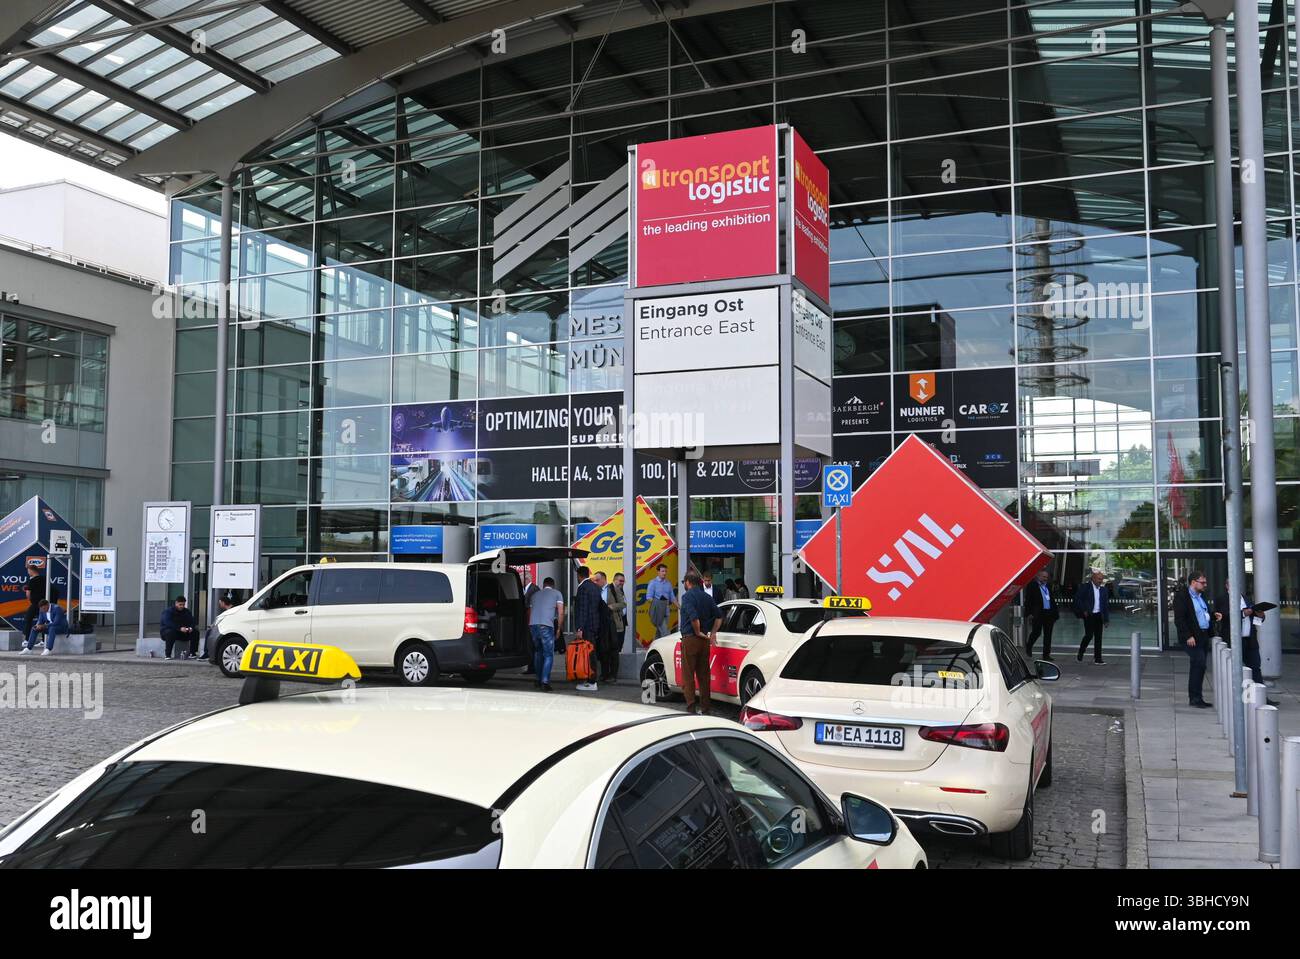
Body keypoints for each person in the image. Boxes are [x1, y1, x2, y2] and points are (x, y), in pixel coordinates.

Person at [1214, 577, 1278, 706]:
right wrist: (1243, 613)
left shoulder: (1246, 598)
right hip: (1234, 640)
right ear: (1227, 586)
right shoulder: (1222, 599)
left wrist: (1261, 616)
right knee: (1236, 669)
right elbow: (1223, 616)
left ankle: (1261, 697)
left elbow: (1255, 618)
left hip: (1250, 639)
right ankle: (1238, 698)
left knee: (1255, 668)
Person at [678, 572, 720, 715]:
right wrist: (713, 633)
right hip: (704, 641)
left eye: (685, 582)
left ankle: (691, 709)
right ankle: (705, 708)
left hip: (691, 638)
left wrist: (697, 631)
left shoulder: (687, 597)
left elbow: (694, 618)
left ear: (688, 582)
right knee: (704, 676)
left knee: (688, 676)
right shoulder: (707, 597)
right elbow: (719, 616)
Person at [1172, 570, 1214, 708]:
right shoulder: (1182, 596)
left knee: (1199, 666)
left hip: (1203, 635)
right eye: (1203, 582)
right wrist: (1188, 635)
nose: (1205, 585)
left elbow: (1203, 613)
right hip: (1191, 637)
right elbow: (1180, 619)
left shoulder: (1201, 596)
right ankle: (1195, 698)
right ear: (1193, 582)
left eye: (1206, 582)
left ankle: (1197, 697)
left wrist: (1213, 616)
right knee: (1199, 663)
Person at [527, 576, 564, 693]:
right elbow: (561, 612)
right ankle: (545, 681)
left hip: (533, 625)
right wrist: (559, 629)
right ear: (553, 585)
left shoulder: (535, 595)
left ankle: (538, 680)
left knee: (538, 652)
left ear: (543, 585)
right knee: (548, 654)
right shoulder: (557, 594)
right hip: (546, 626)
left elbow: (529, 612)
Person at [572, 565, 604, 691]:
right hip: (595, 625)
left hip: (587, 626)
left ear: (579, 576)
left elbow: (583, 609)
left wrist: (580, 628)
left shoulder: (583, 588)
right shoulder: (595, 587)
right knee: (592, 652)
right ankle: (590, 679)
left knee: (589, 654)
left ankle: (591, 681)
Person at [1072, 568, 1110, 664]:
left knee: (1098, 637)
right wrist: (1083, 610)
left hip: (1099, 615)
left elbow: (1105, 605)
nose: (1100, 581)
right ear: (1093, 578)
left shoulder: (1103, 590)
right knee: (1089, 635)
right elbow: (1078, 599)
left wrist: (1106, 619)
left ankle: (1098, 658)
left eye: (1101, 579)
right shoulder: (1085, 587)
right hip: (1089, 615)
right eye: (1098, 579)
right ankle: (1081, 652)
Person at [1022, 568, 1059, 660]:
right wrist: (1029, 613)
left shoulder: (1048, 586)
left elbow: (1052, 600)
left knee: (1048, 635)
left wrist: (1055, 614)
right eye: (1043, 577)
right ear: (1038, 576)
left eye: (1046, 577)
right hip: (1038, 613)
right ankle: (1029, 646)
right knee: (1036, 632)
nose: (1045, 578)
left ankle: (1046, 655)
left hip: (1049, 613)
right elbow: (1028, 600)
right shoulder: (1032, 585)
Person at [593, 571, 617, 684]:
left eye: (597, 580)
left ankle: (612, 675)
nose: (596, 582)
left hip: (611, 623)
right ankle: (604, 674)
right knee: (602, 650)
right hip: (601, 624)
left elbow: (623, 604)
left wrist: (610, 607)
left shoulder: (613, 589)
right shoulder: (596, 591)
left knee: (612, 650)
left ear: (604, 579)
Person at [161, 595, 197, 660]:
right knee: (170, 632)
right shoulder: (168, 611)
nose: (182, 606)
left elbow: (193, 621)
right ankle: (168, 654)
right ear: (176, 603)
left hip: (182, 632)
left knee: (195, 632)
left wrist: (190, 628)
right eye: (180, 604)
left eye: (183, 605)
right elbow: (168, 623)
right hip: (168, 632)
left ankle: (192, 653)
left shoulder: (186, 611)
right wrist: (180, 628)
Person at [607, 571, 628, 679]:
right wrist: (612, 607)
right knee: (614, 648)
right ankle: (612, 674)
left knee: (617, 647)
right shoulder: (610, 589)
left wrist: (612, 606)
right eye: (620, 581)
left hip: (620, 622)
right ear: (615, 580)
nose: (622, 583)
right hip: (614, 623)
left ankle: (612, 674)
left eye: (623, 581)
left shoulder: (619, 590)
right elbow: (623, 604)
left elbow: (624, 604)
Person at [646, 564, 676, 639]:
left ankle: (653, 648)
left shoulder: (668, 583)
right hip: (658, 611)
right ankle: (668, 649)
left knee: (659, 632)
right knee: (665, 632)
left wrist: (681, 607)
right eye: (662, 571)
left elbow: (672, 598)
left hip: (666, 611)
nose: (664, 573)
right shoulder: (653, 582)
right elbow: (648, 597)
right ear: (658, 572)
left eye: (665, 571)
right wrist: (659, 603)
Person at [521, 572, 539, 676]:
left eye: (521, 580)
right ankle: (531, 666)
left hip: (532, 621)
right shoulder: (526, 589)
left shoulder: (534, 589)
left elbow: (533, 604)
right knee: (529, 645)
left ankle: (533, 667)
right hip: (528, 621)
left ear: (526, 579)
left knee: (532, 645)